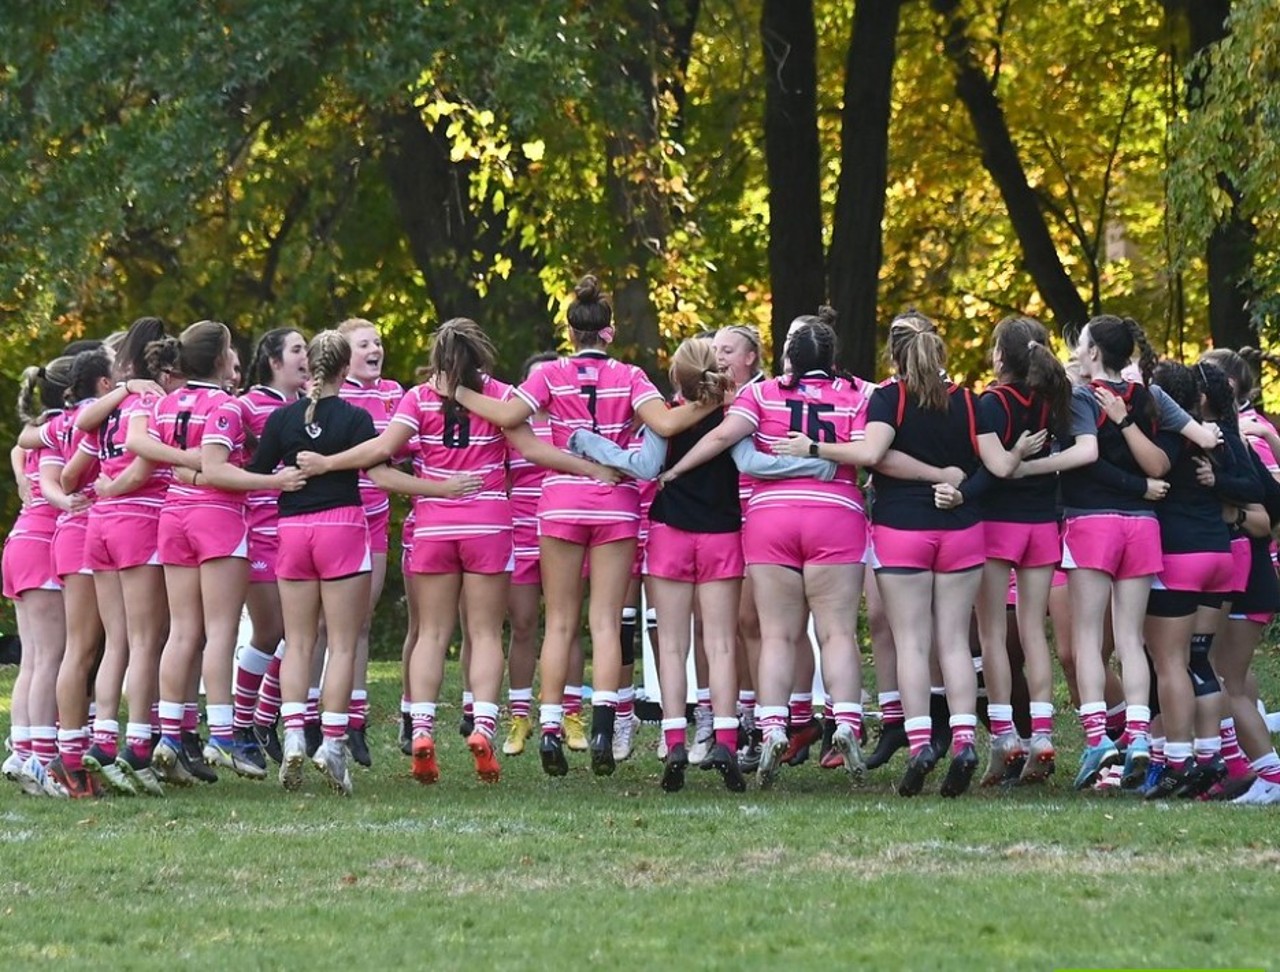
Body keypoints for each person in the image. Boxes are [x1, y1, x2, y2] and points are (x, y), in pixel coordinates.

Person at [299, 317, 615, 784]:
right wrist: (591, 469)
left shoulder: (418, 396)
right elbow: (533, 451)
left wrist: (329, 462)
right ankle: (483, 725)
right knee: (486, 632)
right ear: (479, 354)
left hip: (433, 524)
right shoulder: (500, 397)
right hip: (488, 523)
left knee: (431, 633)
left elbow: (379, 451)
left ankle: (423, 729)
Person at [428, 275, 716, 777]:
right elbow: (667, 426)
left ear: (570, 331)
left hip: (559, 501)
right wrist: (717, 399)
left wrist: (455, 390)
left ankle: (551, 727)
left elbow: (507, 414)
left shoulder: (549, 375)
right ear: (609, 331)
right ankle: (603, 724)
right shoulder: (629, 376)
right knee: (604, 621)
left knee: (558, 621)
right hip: (616, 504)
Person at [250, 330, 472, 794]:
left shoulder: (282, 418)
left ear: (310, 368)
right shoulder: (354, 418)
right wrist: (440, 489)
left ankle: (292, 737)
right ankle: (332, 743)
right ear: (341, 369)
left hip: (291, 530)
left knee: (299, 640)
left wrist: (279, 480)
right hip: (343, 528)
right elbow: (381, 474)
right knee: (345, 644)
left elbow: (255, 473)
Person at [661, 309, 875, 789]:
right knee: (837, 633)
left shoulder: (761, 392)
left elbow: (720, 437)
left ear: (786, 358)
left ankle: (774, 725)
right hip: (835, 514)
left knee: (777, 634)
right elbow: (875, 448)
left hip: (770, 517)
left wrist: (674, 471)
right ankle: (845, 721)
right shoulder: (859, 393)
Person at [129, 322, 306, 786]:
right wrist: (273, 481)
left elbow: (156, 450)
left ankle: (169, 735)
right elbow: (218, 469)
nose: (236, 356)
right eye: (231, 349)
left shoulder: (166, 401)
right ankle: (223, 735)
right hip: (217, 519)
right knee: (221, 632)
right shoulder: (225, 405)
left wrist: (189, 473)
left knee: (183, 631)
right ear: (218, 358)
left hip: (173, 516)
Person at [969, 317, 1072, 785]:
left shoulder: (992, 402)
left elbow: (994, 468)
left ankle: (1007, 734)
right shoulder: (1055, 400)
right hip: (1042, 526)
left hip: (998, 524)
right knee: (1033, 632)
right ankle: (1044, 734)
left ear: (999, 356)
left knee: (992, 633)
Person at [3, 357, 73, 795]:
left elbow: (17, 449)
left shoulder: (38, 431)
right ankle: (41, 758)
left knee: (33, 658)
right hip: (43, 541)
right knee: (49, 657)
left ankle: (24, 749)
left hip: (21, 541)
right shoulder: (60, 430)